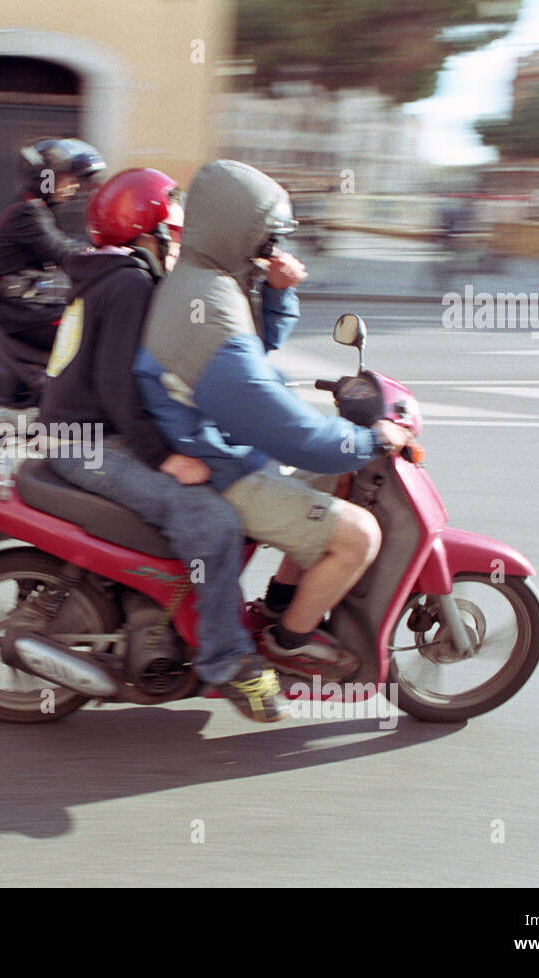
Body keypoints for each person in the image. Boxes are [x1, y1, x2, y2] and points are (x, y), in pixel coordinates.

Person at [135, 159, 413, 683]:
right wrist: (369, 438)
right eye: (266, 237)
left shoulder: (208, 279)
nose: (272, 248)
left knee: (339, 480)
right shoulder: (208, 305)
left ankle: (278, 604)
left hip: (223, 448)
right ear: (236, 227)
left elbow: (255, 351)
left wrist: (277, 289)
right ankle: (290, 643)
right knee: (359, 535)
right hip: (221, 470)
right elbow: (294, 436)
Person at [38, 166, 288, 724]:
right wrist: (165, 457)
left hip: (88, 433)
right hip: (90, 443)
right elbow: (116, 384)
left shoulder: (111, 274)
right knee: (212, 522)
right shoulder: (129, 283)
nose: (175, 245)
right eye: (169, 234)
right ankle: (227, 662)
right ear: (145, 231)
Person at [0, 138, 105, 353]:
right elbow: (65, 253)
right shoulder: (28, 213)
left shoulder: (36, 209)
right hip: (18, 313)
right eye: (67, 179)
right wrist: (110, 257)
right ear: (45, 178)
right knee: (93, 333)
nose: (74, 185)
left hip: (26, 308)